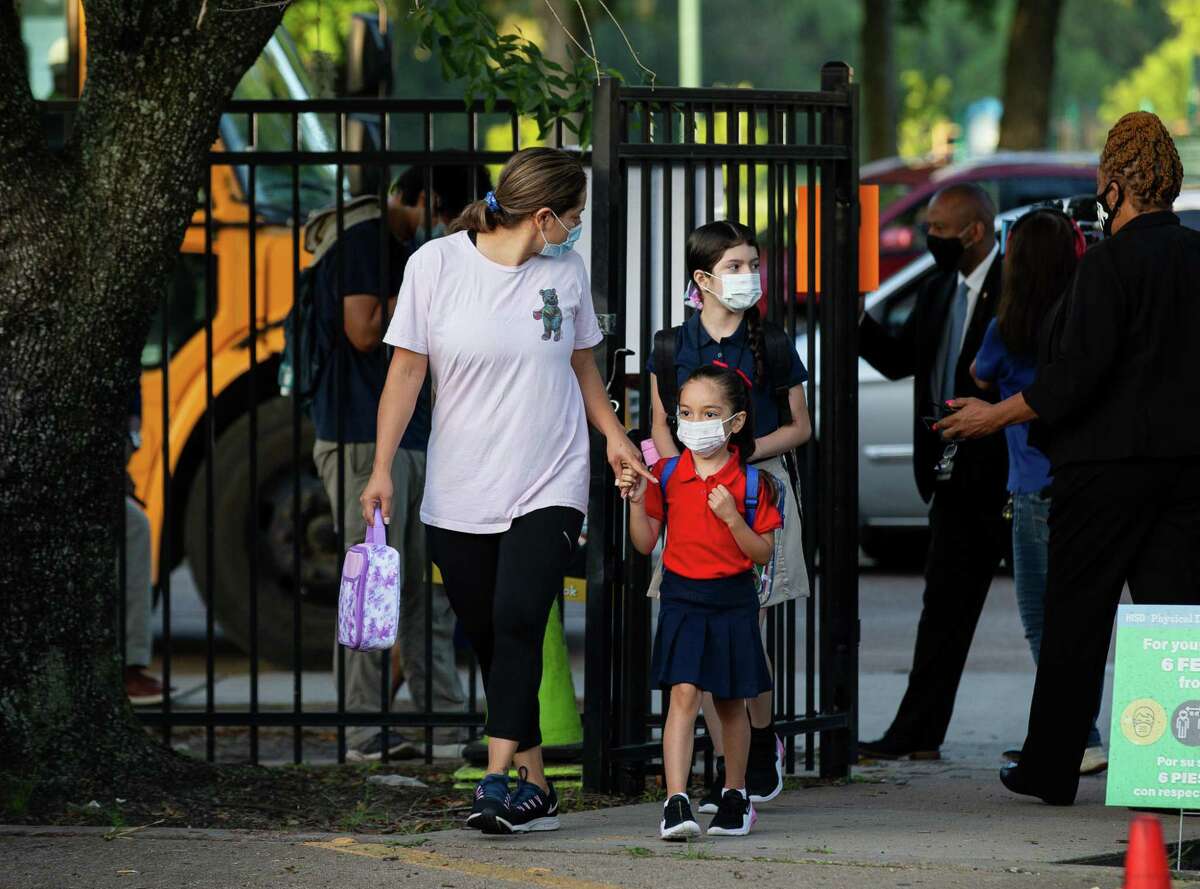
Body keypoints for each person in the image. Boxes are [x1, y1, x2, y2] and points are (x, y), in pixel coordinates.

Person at [359, 147, 653, 834]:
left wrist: (612, 434)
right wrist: (379, 469)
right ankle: (538, 785)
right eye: (574, 216)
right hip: (460, 485)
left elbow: (584, 363)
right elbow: (405, 374)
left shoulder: (566, 270)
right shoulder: (435, 264)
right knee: (492, 635)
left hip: (551, 476)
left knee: (520, 616)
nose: (577, 229)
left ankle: (495, 782)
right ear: (544, 215)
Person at [937, 111, 1200, 805]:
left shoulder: (1107, 266)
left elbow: (1074, 377)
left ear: (1114, 185)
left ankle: (1052, 766)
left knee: (1076, 620)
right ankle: (1175, 769)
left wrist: (993, 414)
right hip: (1185, 470)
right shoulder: (1197, 258)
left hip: (1103, 470)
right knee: (1174, 617)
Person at [312, 165, 488, 761]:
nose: (450, 231)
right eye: (446, 217)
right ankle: (363, 729)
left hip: (407, 436)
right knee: (372, 581)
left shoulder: (403, 247)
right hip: (364, 436)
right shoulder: (367, 241)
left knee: (419, 585)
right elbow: (362, 329)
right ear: (425, 200)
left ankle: (438, 717)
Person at [647, 220, 811, 810]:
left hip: (753, 488)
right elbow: (661, 426)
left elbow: (800, 425)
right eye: (734, 266)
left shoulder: (771, 343)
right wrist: (680, 478)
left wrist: (736, 460)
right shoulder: (672, 346)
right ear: (703, 278)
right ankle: (726, 776)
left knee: (747, 628)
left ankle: (758, 741)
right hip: (689, 495)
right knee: (697, 629)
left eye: (752, 264)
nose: (748, 277)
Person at [857, 183, 1009, 761]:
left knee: (1043, 614)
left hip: (1009, 477)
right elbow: (900, 360)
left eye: (939, 231)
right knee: (941, 610)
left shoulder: (1014, 286)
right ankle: (917, 733)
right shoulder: (940, 288)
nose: (929, 241)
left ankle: (1076, 738)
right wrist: (856, 317)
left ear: (973, 232)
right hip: (951, 479)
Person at [970, 208, 1107, 777]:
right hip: (1086, 479)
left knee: (1042, 619)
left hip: (1031, 488)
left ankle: (1080, 737)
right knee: (1087, 615)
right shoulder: (1083, 316)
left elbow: (979, 374)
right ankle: (1089, 734)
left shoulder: (1011, 326)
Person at [623, 366, 781, 840]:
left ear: (734, 423)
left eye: (709, 413)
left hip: (732, 598)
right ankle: (675, 801)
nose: (695, 422)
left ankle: (736, 794)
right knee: (684, 696)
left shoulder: (754, 485)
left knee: (732, 701)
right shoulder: (668, 474)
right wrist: (635, 500)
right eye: (687, 413)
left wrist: (733, 519)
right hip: (681, 597)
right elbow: (644, 541)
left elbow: (762, 553)